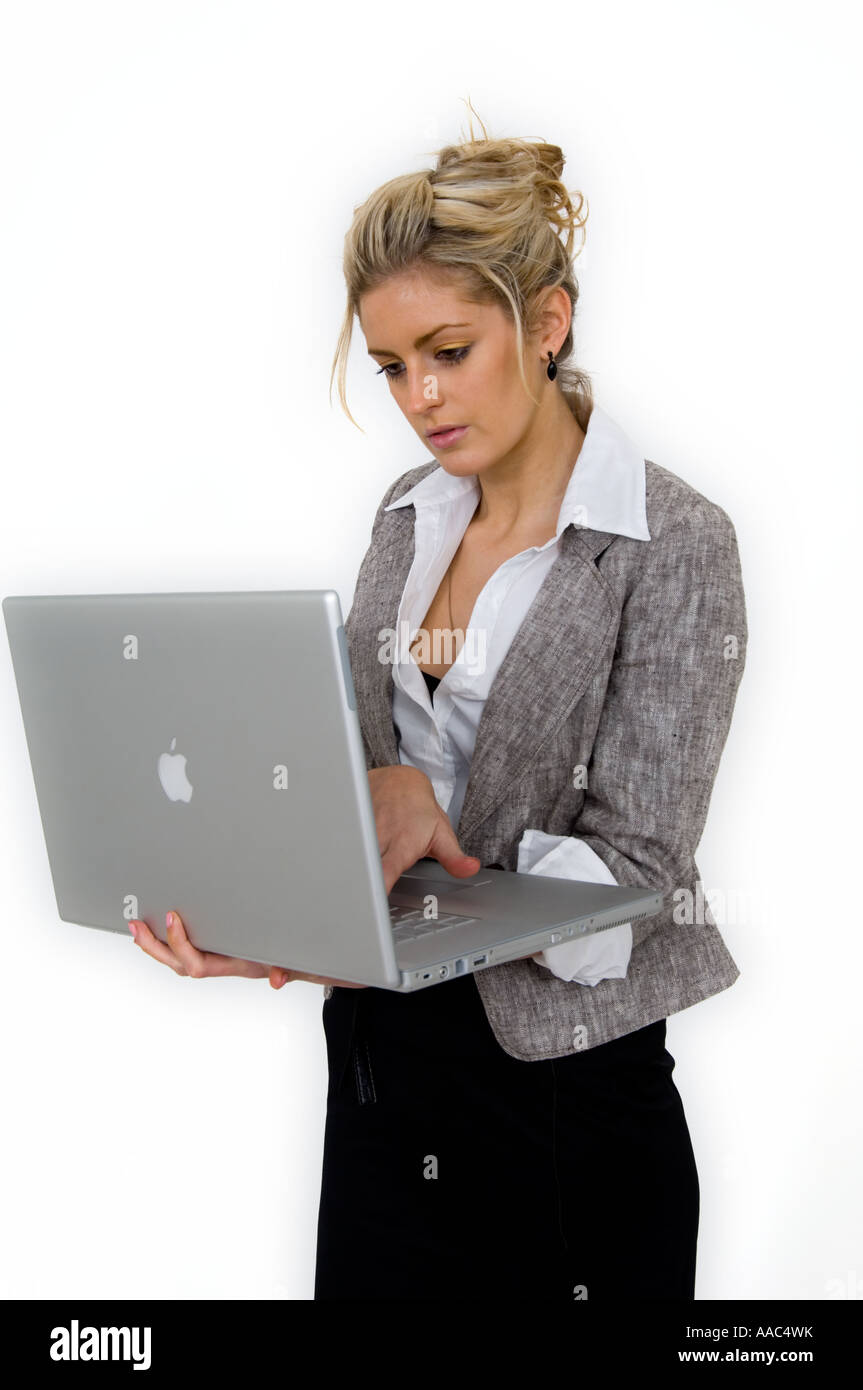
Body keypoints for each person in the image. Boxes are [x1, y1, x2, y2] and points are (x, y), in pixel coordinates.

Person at [129, 108, 747, 1302]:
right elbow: (364, 805)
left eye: (448, 351)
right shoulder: (407, 516)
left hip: (561, 1108)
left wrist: (434, 822)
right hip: (378, 1076)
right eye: (390, 365)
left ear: (546, 323)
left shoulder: (671, 542)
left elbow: (633, 883)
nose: (417, 395)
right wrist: (284, 914)